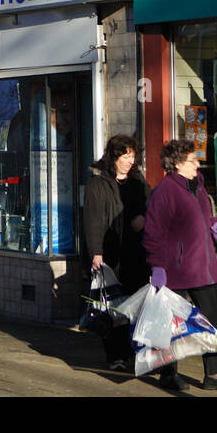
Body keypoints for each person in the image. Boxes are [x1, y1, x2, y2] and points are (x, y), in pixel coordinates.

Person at [143, 139, 217, 392]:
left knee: (210, 321)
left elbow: (204, 216)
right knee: (170, 324)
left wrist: (214, 223)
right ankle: (168, 373)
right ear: (176, 164)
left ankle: (214, 375)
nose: (198, 163)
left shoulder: (197, 186)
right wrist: (157, 266)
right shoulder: (164, 191)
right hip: (176, 270)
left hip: (203, 266)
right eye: (192, 160)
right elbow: (154, 232)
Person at [83, 134, 150, 369]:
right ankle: (115, 355)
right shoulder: (98, 183)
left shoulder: (138, 182)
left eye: (132, 156)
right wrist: (96, 252)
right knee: (113, 306)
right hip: (110, 255)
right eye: (125, 156)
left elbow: (150, 206)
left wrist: (144, 217)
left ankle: (133, 352)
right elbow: (92, 220)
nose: (130, 161)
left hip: (136, 253)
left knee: (135, 304)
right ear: (114, 156)